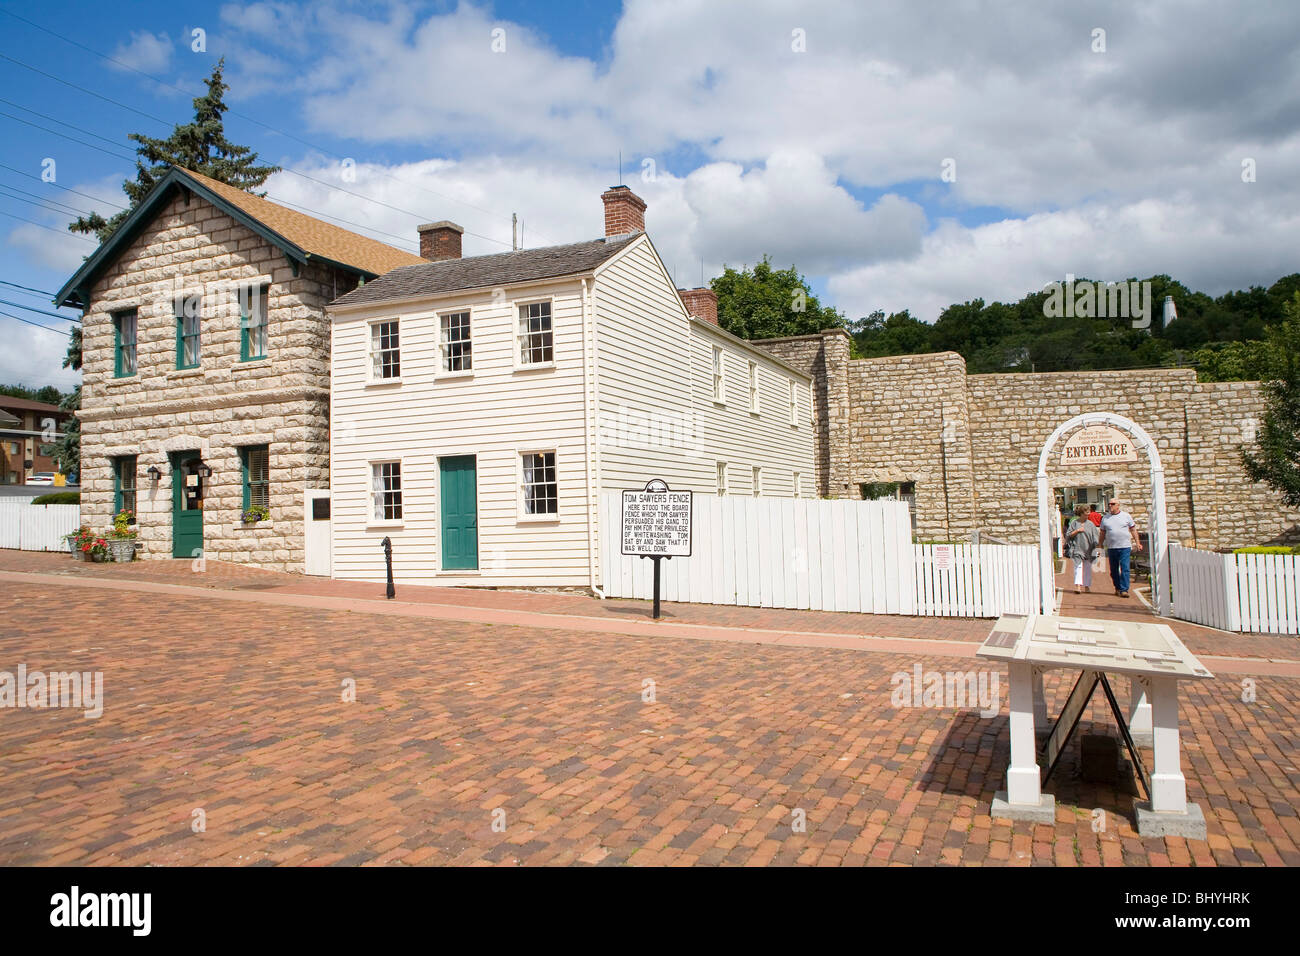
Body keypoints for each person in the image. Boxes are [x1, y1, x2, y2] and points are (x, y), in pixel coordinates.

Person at [1099, 498, 1142, 597]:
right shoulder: (1105, 518)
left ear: (1118, 505)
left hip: (1125, 546)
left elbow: (1133, 529)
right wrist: (1100, 544)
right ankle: (1117, 587)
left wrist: (1137, 542)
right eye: (1109, 504)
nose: (1110, 506)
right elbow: (1102, 532)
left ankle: (1124, 589)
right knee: (1114, 570)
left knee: (1125, 568)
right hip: (1111, 547)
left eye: (1113, 504)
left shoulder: (1126, 516)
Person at [1065, 503, 1099, 593]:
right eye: (1085, 514)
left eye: (1088, 514)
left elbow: (1096, 537)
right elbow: (1068, 535)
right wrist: (1077, 531)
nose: (1087, 515)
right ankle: (1078, 586)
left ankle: (1087, 586)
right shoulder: (1075, 523)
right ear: (1081, 513)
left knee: (1087, 568)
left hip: (1089, 549)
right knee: (1078, 567)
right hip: (1077, 548)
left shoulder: (1091, 524)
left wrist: (1097, 547)